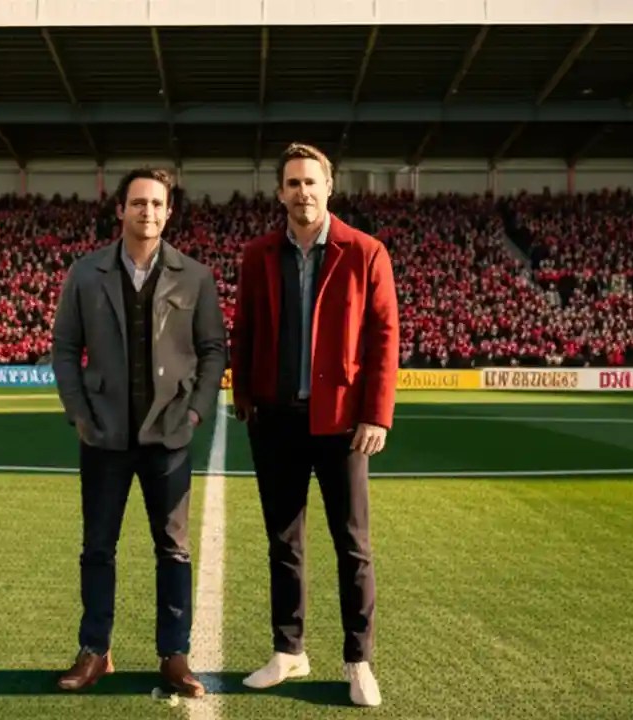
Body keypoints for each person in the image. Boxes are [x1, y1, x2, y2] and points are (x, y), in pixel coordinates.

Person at [230, 143, 399, 708]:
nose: (302, 192)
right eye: (292, 183)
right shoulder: (258, 254)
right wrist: (245, 395)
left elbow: (383, 337)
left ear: (330, 187)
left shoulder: (366, 251)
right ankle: (288, 650)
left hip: (342, 423)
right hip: (275, 420)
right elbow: (245, 328)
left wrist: (376, 412)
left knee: (352, 545)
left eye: (311, 182)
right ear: (279, 192)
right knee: (284, 542)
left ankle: (358, 661)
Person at [50, 167, 226, 697]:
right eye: (137, 203)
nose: (146, 212)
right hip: (103, 436)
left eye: (156, 204)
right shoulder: (85, 274)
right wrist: (79, 412)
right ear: (120, 210)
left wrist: (195, 411)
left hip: (168, 436)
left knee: (173, 550)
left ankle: (174, 656)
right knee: (98, 548)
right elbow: (63, 348)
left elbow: (214, 349)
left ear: (168, 212)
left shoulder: (195, 276)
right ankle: (94, 651)